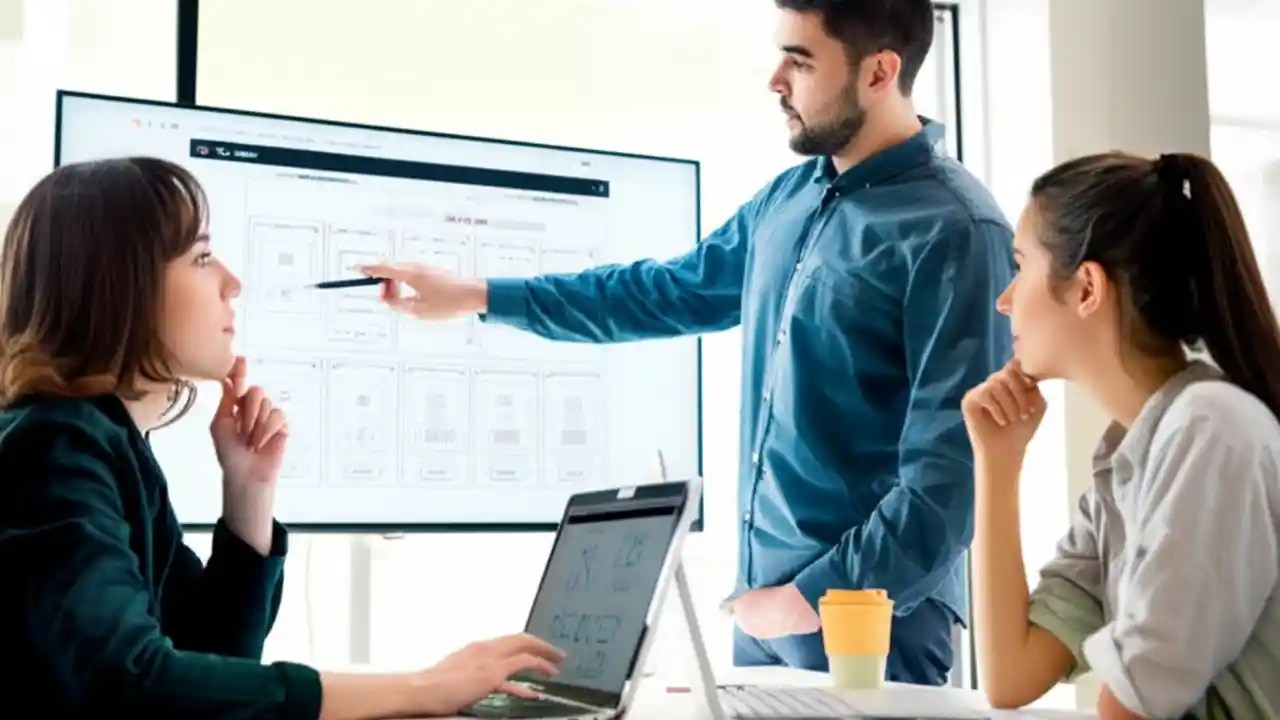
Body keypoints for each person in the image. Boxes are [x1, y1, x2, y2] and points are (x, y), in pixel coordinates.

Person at [362, 0, 1013, 684]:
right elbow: (660, 292)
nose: (775, 80)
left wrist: (810, 600)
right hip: (764, 609)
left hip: (870, 618)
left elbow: (953, 470)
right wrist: (479, 296)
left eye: (800, 59)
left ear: (880, 71)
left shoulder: (958, 229)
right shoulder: (787, 200)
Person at [0, 157, 565, 719]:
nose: (232, 283)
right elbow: (136, 683)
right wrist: (424, 688)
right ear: (120, 286)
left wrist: (248, 494)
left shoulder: (105, 445)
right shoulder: (55, 449)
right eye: (200, 258)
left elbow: (210, 664)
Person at [964, 151, 1280, 719]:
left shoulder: (1210, 431)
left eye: (1020, 265)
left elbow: (1132, 705)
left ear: (1086, 287)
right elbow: (1011, 676)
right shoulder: (1127, 459)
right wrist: (997, 463)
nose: (1004, 300)